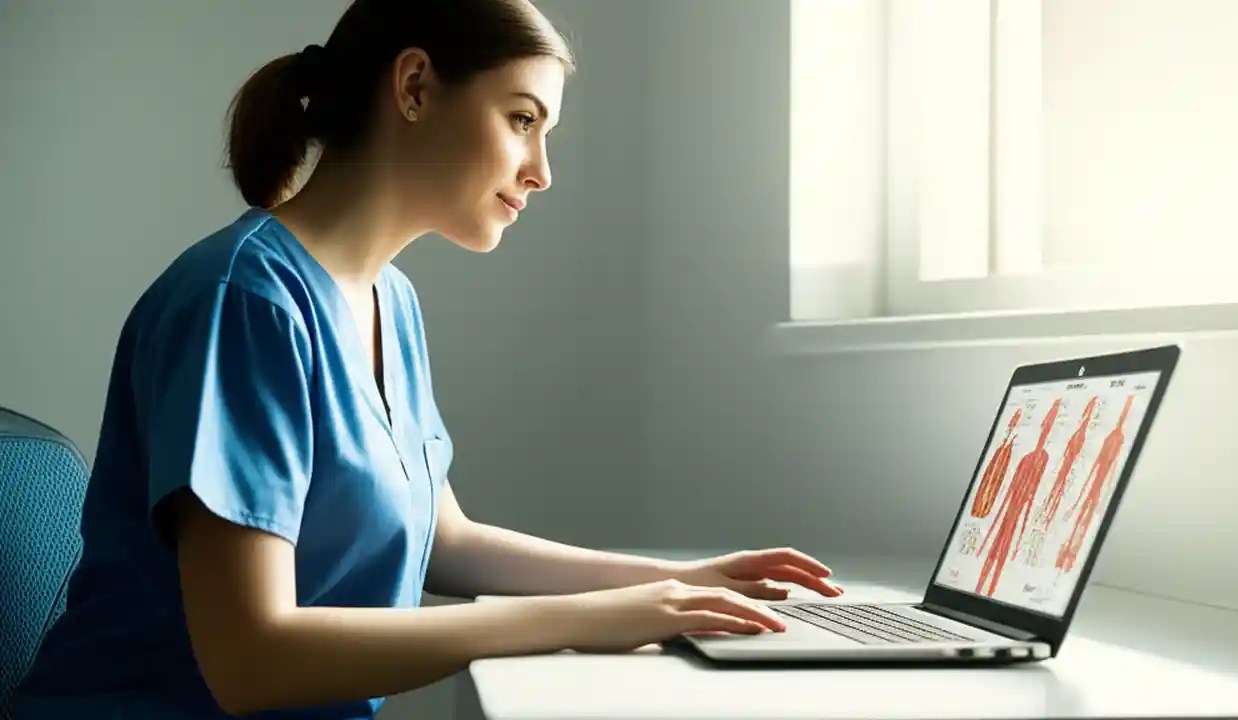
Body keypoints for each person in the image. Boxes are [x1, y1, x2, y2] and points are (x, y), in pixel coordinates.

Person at [12, 1, 843, 719]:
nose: (543, 171)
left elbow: (445, 540)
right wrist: (592, 618)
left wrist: (680, 584)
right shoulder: (245, 301)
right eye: (522, 120)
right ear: (413, 87)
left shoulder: (390, 302)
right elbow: (250, 659)